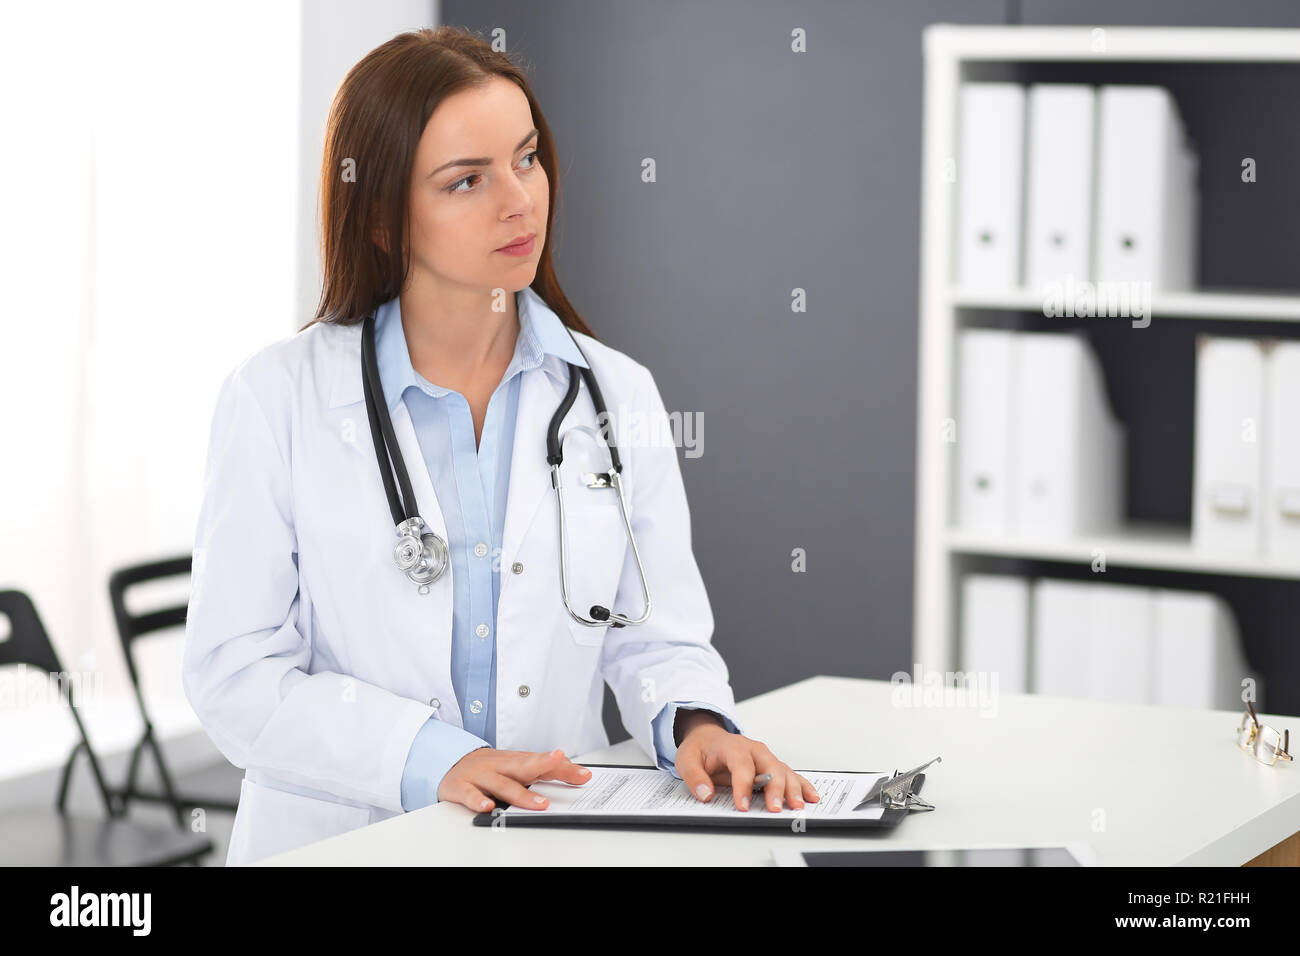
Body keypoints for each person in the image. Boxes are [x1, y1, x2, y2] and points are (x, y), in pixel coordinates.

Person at [183, 25, 817, 866]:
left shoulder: (614, 393)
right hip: (348, 841)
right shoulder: (276, 399)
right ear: (380, 216)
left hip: (554, 837)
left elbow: (655, 636)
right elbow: (237, 676)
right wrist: (438, 760)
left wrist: (694, 722)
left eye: (526, 157)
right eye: (466, 180)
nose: (519, 200)